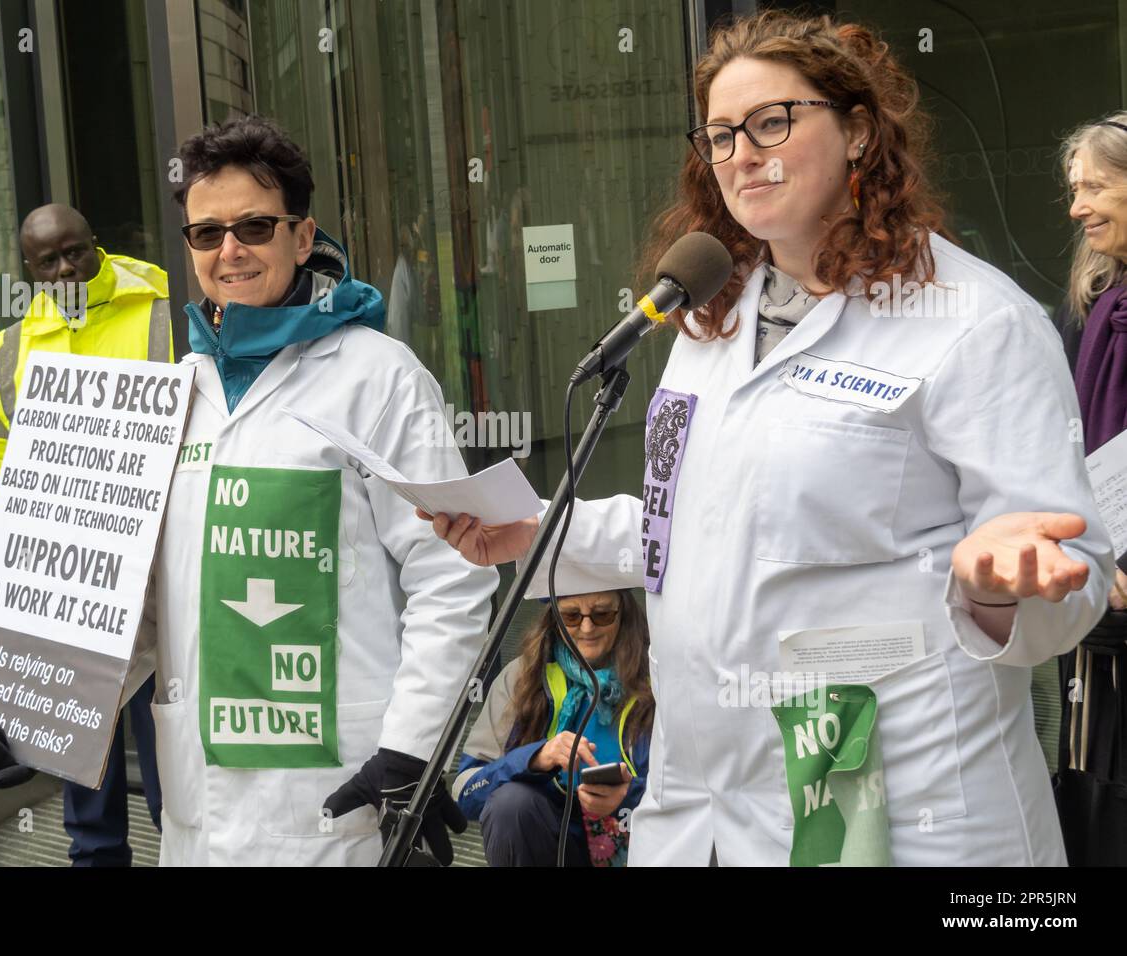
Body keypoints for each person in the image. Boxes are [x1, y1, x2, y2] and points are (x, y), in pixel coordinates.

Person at [424, 10, 1112, 866]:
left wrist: (997, 588)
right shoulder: (708, 319)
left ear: (859, 131)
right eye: (719, 134)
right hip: (708, 812)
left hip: (909, 814)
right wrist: (534, 540)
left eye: (771, 122)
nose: (741, 153)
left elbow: (1074, 589)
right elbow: (696, 527)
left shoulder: (974, 322)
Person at [126, 114, 498, 866]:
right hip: (199, 811)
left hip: (339, 797)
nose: (229, 250)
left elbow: (453, 574)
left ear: (302, 237)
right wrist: (40, 714)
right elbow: (140, 607)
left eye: (255, 227)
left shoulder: (378, 376)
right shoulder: (169, 395)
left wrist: (413, 749)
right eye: (207, 234)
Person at [0, 204, 167, 866]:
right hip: (69, 576)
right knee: (82, 746)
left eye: (76, 251)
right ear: (28, 268)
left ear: (95, 244)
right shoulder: (13, 345)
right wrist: (6, 522)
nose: (66, 268)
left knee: (169, 741)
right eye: (48, 261)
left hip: (158, 567)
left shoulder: (161, 310)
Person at [1053, 112, 1127, 865]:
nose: (1077, 207)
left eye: (1096, 187)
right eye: (1076, 189)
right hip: (1104, 596)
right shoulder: (1091, 310)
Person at [453, 584, 651, 866]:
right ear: (553, 617)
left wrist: (628, 798)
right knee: (511, 805)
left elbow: (697, 792)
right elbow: (466, 792)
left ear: (625, 614)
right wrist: (533, 759)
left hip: (642, 848)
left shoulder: (659, 678)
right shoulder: (521, 678)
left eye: (602, 614)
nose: (586, 628)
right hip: (552, 847)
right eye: (571, 616)